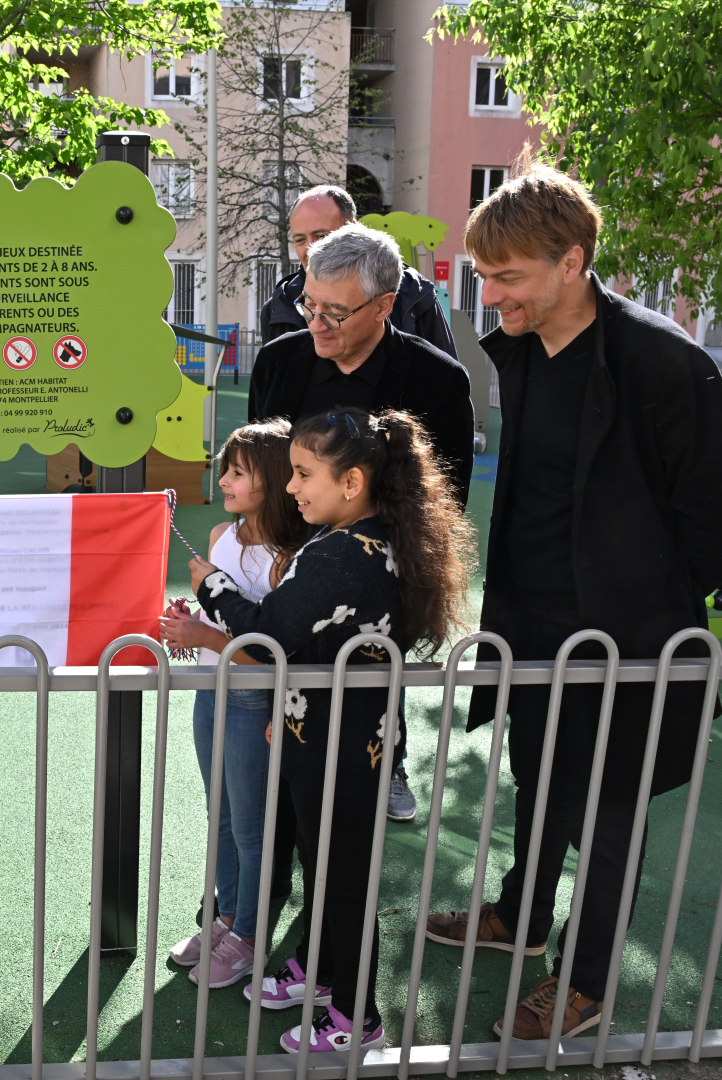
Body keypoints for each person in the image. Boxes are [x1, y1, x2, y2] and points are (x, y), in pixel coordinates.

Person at [422, 164, 722, 1040]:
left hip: (630, 638)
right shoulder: (524, 348)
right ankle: (522, 920)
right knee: (538, 781)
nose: (491, 297)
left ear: (572, 263)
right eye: (484, 276)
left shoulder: (660, 358)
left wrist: (652, 600)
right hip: (534, 623)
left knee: (609, 812)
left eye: (509, 278)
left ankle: (585, 980)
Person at [177, 407, 476, 1053]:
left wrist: (213, 587)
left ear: (353, 481)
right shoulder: (355, 540)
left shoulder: (346, 551)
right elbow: (313, 644)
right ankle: (319, 971)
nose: (291, 487)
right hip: (331, 737)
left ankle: (355, 1020)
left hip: (343, 750)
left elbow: (272, 630)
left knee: (343, 886)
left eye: (304, 474)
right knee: (324, 868)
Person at [250, 222, 475, 828]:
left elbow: (444, 499)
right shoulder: (280, 361)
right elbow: (263, 467)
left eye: (335, 313)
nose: (316, 323)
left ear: (383, 306)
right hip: (293, 560)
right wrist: (272, 545)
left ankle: (387, 761)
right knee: (287, 677)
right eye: (309, 305)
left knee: (371, 689)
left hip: (384, 573)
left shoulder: (438, 378)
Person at [160, 420, 307, 990]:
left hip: (252, 701)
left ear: (270, 482)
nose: (223, 478)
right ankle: (223, 919)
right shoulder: (223, 535)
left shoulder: (285, 559)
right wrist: (192, 622)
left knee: (252, 827)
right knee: (218, 814)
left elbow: (270, 654)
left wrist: (205, 637)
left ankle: (247, 936)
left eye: (238, 471)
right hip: (210, 689)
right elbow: (221, 623)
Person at [259, 186, 457, 356]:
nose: (311, 249)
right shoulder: (280, 307)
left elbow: (445, 383)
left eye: (321, 236)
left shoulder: (414, 294)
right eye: (300, 240)